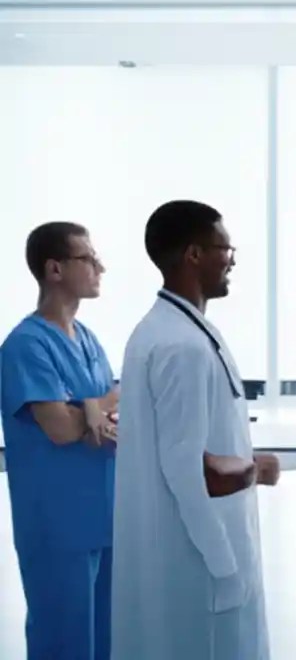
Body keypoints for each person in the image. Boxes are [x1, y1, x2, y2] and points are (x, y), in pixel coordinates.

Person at [112, 200, 280, 660]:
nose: (230, 261)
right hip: (203, 573)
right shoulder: (181, 345)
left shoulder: (172, 331)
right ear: (193, 255)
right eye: (224, 249)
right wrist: (226, 568)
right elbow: (188, 472)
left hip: (187, 567)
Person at [0, 222, 117, 659]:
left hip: (102, 517)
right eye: (87, 258)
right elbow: (61, 428)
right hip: (56, 525)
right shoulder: (26, 346)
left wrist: (90, 406)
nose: (99, 266)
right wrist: (97, 407)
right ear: (54, 268)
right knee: (63, 643)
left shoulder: (88, 340)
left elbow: (110, 416)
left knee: (103, 642)